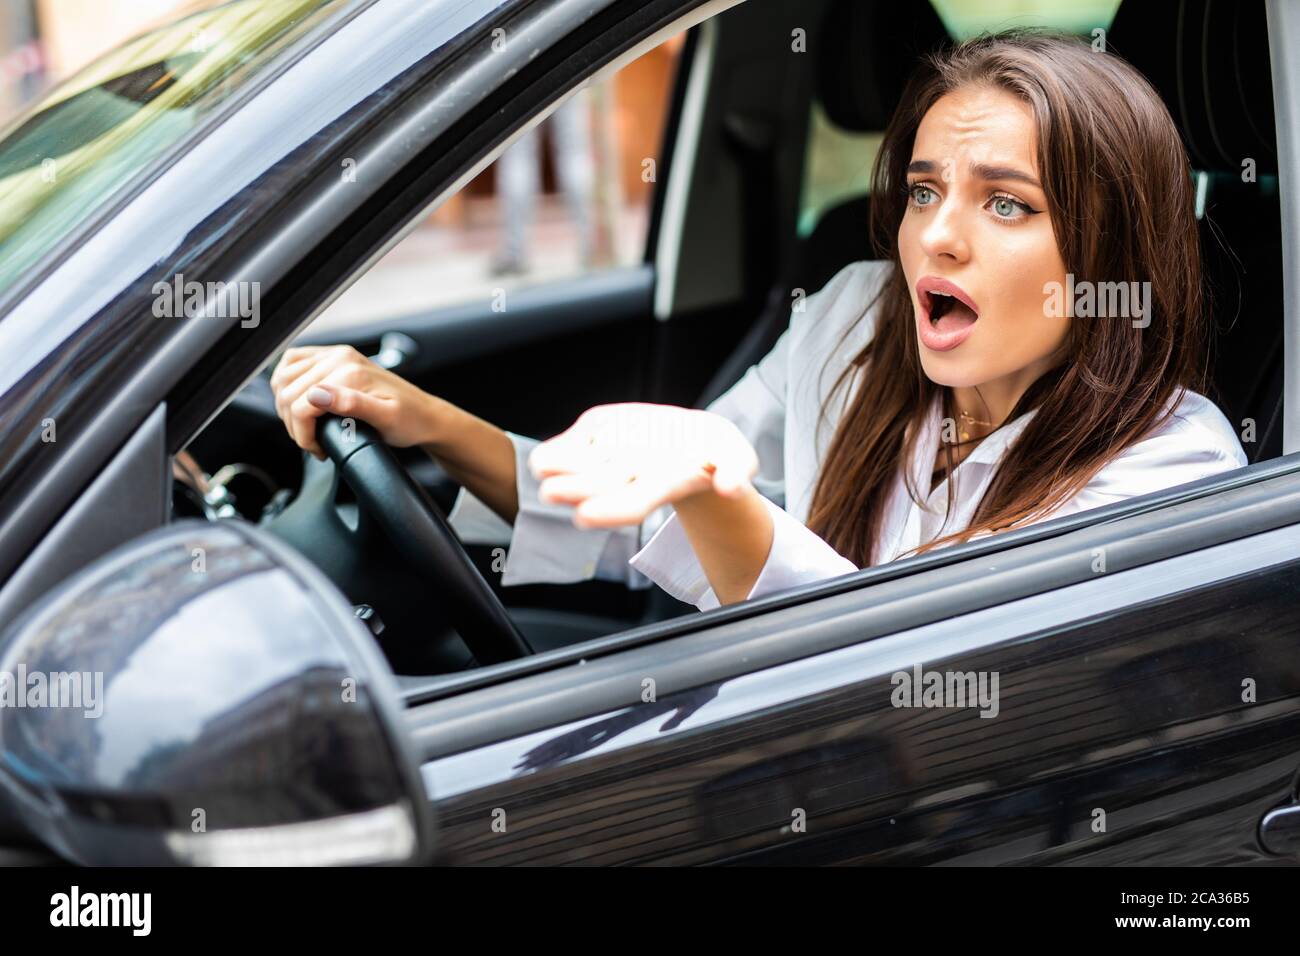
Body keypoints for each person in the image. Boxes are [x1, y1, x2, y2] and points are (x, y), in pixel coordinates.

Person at [270, 31, 1247, 613]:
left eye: (1005, 205)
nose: (934, 239)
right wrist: (425, 420)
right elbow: (635, 525)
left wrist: (721, 493)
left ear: (1109, 255)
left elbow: (919, 687)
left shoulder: (1178, 473)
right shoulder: (856, 316)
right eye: (920, 190)